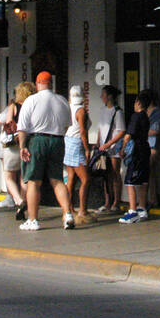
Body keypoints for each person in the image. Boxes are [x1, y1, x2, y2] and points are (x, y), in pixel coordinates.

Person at [16, 71, 74, 231]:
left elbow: (22, 127)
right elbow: (67, 125)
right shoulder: (62, 101)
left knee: (34, 181)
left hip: (37, 140)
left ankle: (33, 219)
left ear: (37, 83)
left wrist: (22, 146)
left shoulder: (31, 100)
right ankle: (68, 214)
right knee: (57, 179)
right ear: (51, 83)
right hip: (57, 139)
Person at [0, 82, 33, 218]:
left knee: (9, 176)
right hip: (28, 143)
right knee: (24, 177)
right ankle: (21, 208)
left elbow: (9, 123)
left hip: (13, 146)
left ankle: (18, 201)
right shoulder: (33, 106)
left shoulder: (13, 106)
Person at [119, 91, 153, 223]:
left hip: (136, 151)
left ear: (138, 103)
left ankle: (132, 210)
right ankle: (142, 208)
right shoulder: (146, 117)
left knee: (130, 181)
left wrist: (122, 148)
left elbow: (128, 135)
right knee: (143, 180)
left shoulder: (136, 116)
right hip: (145, 149)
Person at [92, 85, 126, 215]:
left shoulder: (118, 112)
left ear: (110, 96)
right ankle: (107, 201)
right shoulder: (102, 110)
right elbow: (101, 128)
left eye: (103, 95)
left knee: (115, 174)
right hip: (103, 148)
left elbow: (121, 131)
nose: (102, 97)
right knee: (105, 174)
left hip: (113, 148)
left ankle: (116, 202)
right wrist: (98, 142)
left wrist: (109, 143)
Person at [63, 86, 94, 225]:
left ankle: (68, 210)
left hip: (67, 141)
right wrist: (87, 149)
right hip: (76, 143)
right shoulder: (80, 111)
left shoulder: (67, 108)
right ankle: (82, 210)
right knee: (85, 179)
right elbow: (83, 131)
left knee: (70, 178)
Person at [146, 89, 160, 207]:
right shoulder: (144, 111)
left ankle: (152, 199)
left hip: (153, 145)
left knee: (149, 171)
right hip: (145, 144)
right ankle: (151, 198)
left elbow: (156, 130)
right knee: (149, 173)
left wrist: (141, 132)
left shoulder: (158, 112)